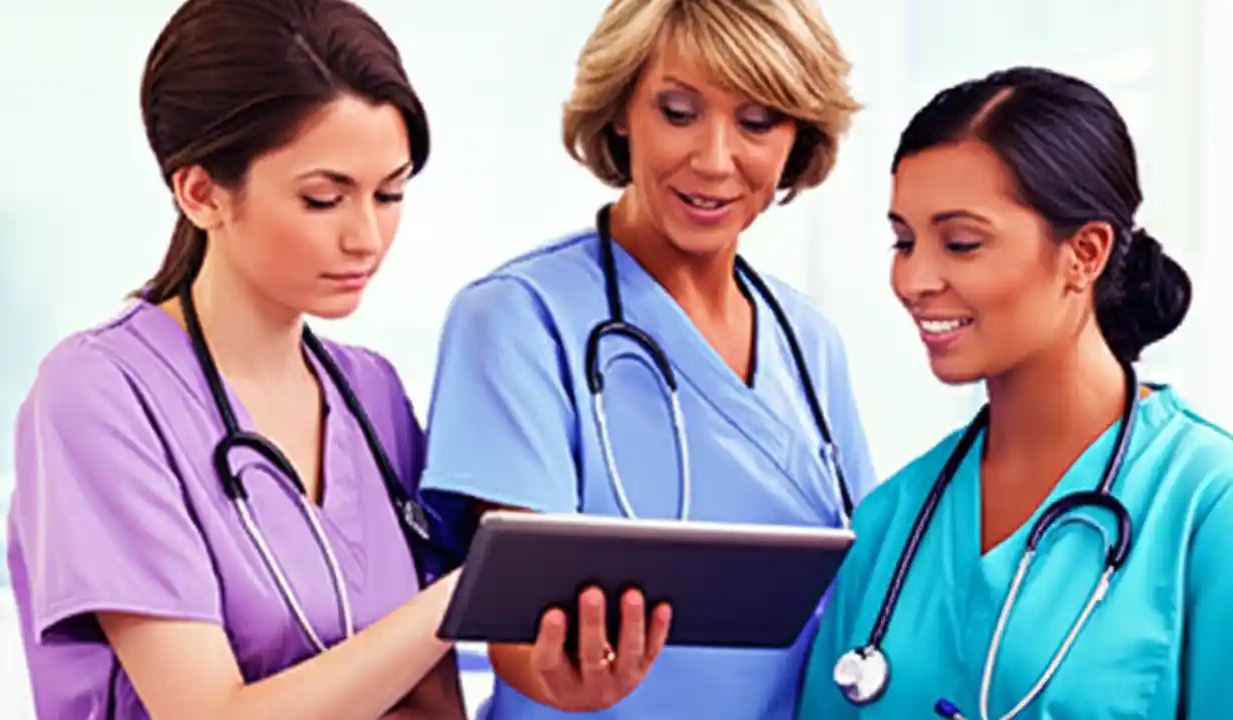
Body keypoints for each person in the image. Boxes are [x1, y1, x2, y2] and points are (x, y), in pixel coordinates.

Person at [5, 1, 468, 718]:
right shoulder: (99, 394)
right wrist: (464, 596)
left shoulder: (370, 393)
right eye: (323, 199)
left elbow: (434, 707)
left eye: (390, 193)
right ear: (201, 194)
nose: (367, 237)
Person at [418, 0, 877, 717]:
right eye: (678, 111)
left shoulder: (809, 341)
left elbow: (856, 586)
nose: (715, 160)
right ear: (622, 110)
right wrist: (558, 675)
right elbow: (513, 617)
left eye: (757, 122)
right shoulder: (519, 317)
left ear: (799, 135)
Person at [798, 66, 1233, 719]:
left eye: (961, 243)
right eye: (904, 241)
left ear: (1084, 253)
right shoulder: (890, 521)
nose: (914, 279)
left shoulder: (1207, 505)